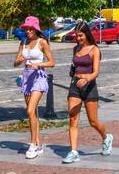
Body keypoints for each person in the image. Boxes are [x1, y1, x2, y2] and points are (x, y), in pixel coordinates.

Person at [63, 21, 113, 163]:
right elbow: (74, 67)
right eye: (77, 36)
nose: (78, 38)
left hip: (89, 86)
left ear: (87, 34)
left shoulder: (94, 50)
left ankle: (106, 137)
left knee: (93, 121)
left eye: (80, 36)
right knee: (73, 119)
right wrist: (75, 75)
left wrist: (86, 79)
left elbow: (96, 72)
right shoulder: (75, 49)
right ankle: (73, 151)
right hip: (75, 85)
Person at [13, 16, 54, 159]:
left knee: (30, 110)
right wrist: (21, 59)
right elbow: (15, 63)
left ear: (36, 29)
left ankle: (32, 145)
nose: (28, 31)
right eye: (26, 29)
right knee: (32, 114)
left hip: (38, 77)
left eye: (30, 29)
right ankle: (38, 143)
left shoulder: (42, 42)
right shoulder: (23, 42)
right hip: (26, 77)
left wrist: (38, 64)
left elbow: (51, 62)